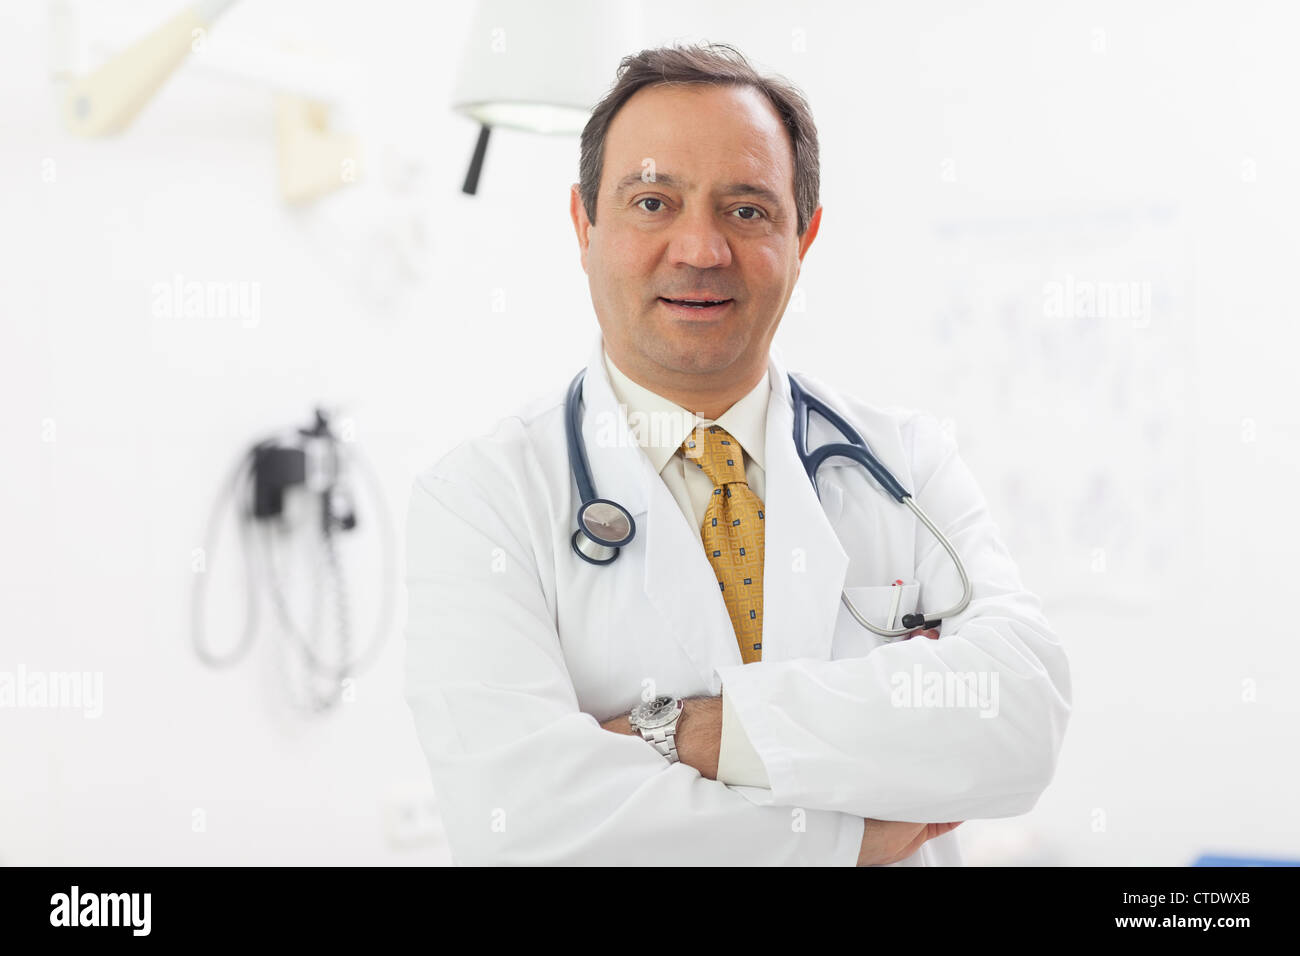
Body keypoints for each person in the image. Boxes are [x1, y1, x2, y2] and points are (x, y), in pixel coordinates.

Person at [402, 42, 1071, 866]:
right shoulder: (481, 500)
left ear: (804, 236)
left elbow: (1022, 715)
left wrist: (690, 731)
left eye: (747, 210)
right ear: (584, 225)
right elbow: (527, 822)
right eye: (653, 202)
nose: (700, 249)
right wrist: (851, 838)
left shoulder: (907, 462)